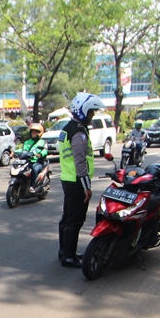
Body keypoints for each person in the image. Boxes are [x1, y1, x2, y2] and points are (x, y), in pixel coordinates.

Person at [56, 92, 103, 268]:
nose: (92, 116)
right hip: (77, 182)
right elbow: (80, 161)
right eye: (91, 112)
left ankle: (64, 252)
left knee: (67, 218)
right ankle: (68, 256)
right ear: (83, 111)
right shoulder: (78, 133)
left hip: (67, 179)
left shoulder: (67, 128)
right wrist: (86, 187)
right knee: (75, 220)